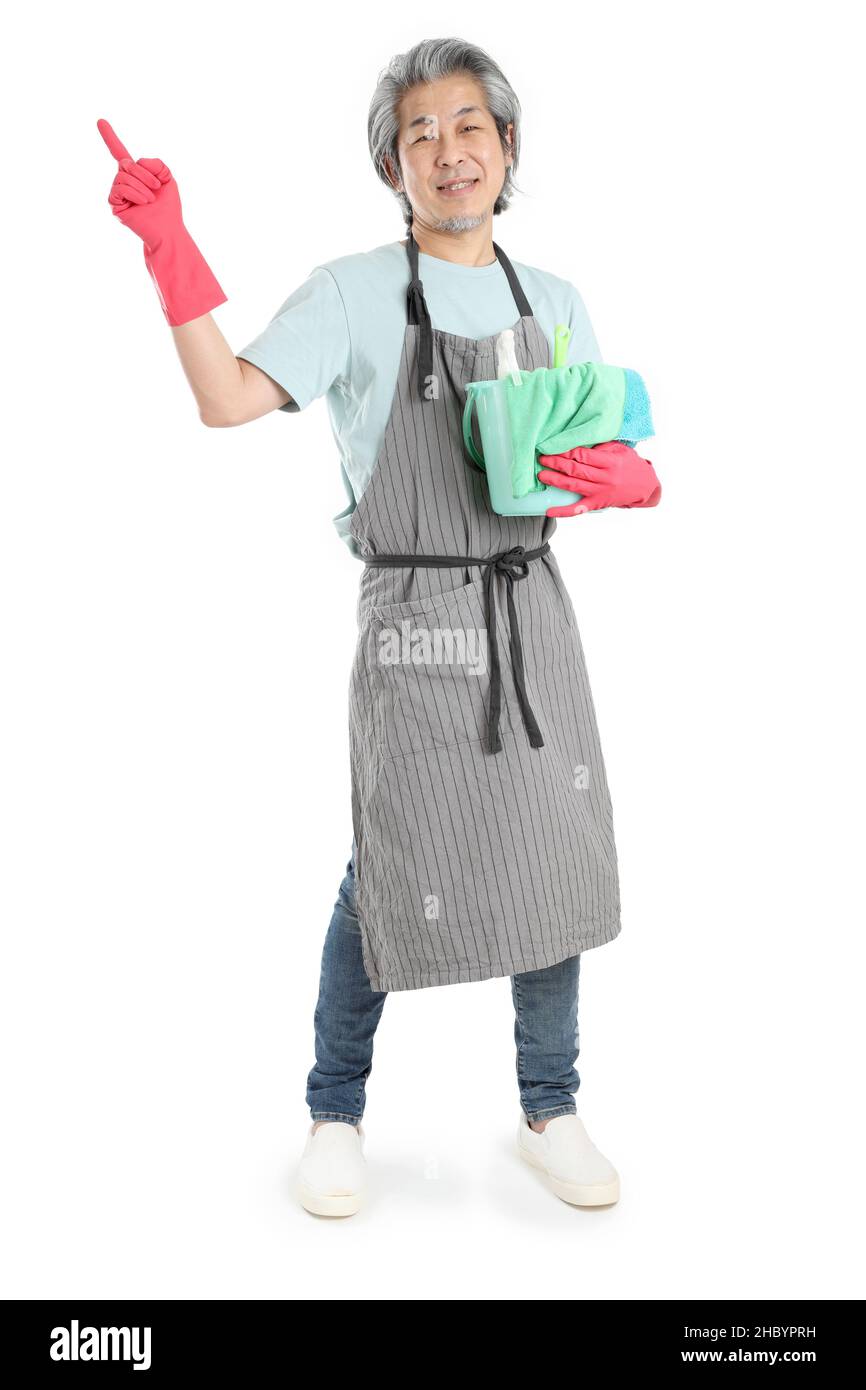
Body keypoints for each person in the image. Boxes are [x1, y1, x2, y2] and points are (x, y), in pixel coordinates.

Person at [97, 36, 661, 1220]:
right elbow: (224, 398)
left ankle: (548, 1105)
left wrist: (626, 482)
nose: (447, 150)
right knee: (388, 865)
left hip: (528, 608)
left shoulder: (549, 299)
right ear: (391, 167)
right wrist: (170, 252)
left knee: (547, 851)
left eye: (468, 127)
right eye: (419, 134)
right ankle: (334, 1109)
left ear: (506, 149)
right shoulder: (355, 292)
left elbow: (581, 454)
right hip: (415, 617)